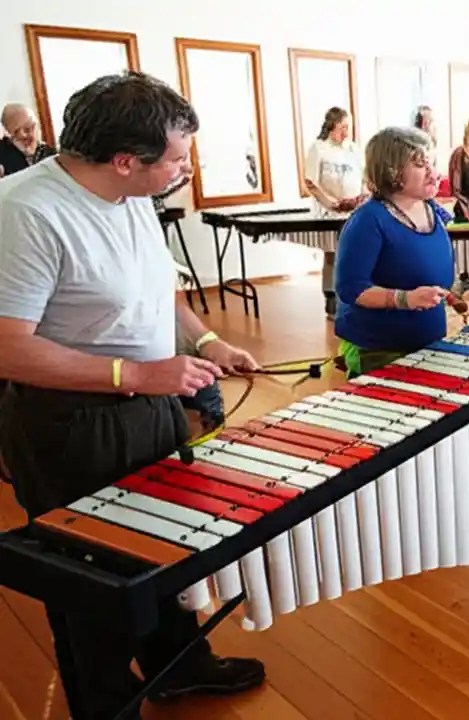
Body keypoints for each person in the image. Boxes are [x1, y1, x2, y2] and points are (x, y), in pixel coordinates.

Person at [0, 71, 265, 720]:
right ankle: (107, 705)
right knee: (95, 588)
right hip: (70, 425)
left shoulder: (135, 195)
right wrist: (138, 376)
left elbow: (161, 292)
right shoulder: (24, 211)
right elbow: (8, 348)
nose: (187, 167)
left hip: (153, 403)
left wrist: (205, 345)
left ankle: (180, 666)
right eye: (178, 157)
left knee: (174, 550)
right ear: (125, 160)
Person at [333, 127, 462, 377]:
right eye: (420, 164)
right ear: (392, 171)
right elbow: (351, 288)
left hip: (429, 342)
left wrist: (458, 296)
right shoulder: (368, 220)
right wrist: (405, 299)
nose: (433, 173)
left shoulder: (431, 211)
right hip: (379, 350)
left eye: (432, 163)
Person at [304, 106, 367, 319]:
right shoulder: (318, 148)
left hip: (353, 210)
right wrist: (331, 203)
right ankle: (332, 303)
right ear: (331, 127)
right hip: (328, 212)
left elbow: (365, 177)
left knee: (353, 255)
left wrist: (361, 197)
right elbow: (310, 182)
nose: (346, 133)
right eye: (342, 128)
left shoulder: (353, 149)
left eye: (348, 127)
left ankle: (354, 298)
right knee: (332, 255)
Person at [0, 103, 57, 177]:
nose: (23, 135)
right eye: (16, 132)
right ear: (7, 133)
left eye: (28, 128)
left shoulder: (50, 153)